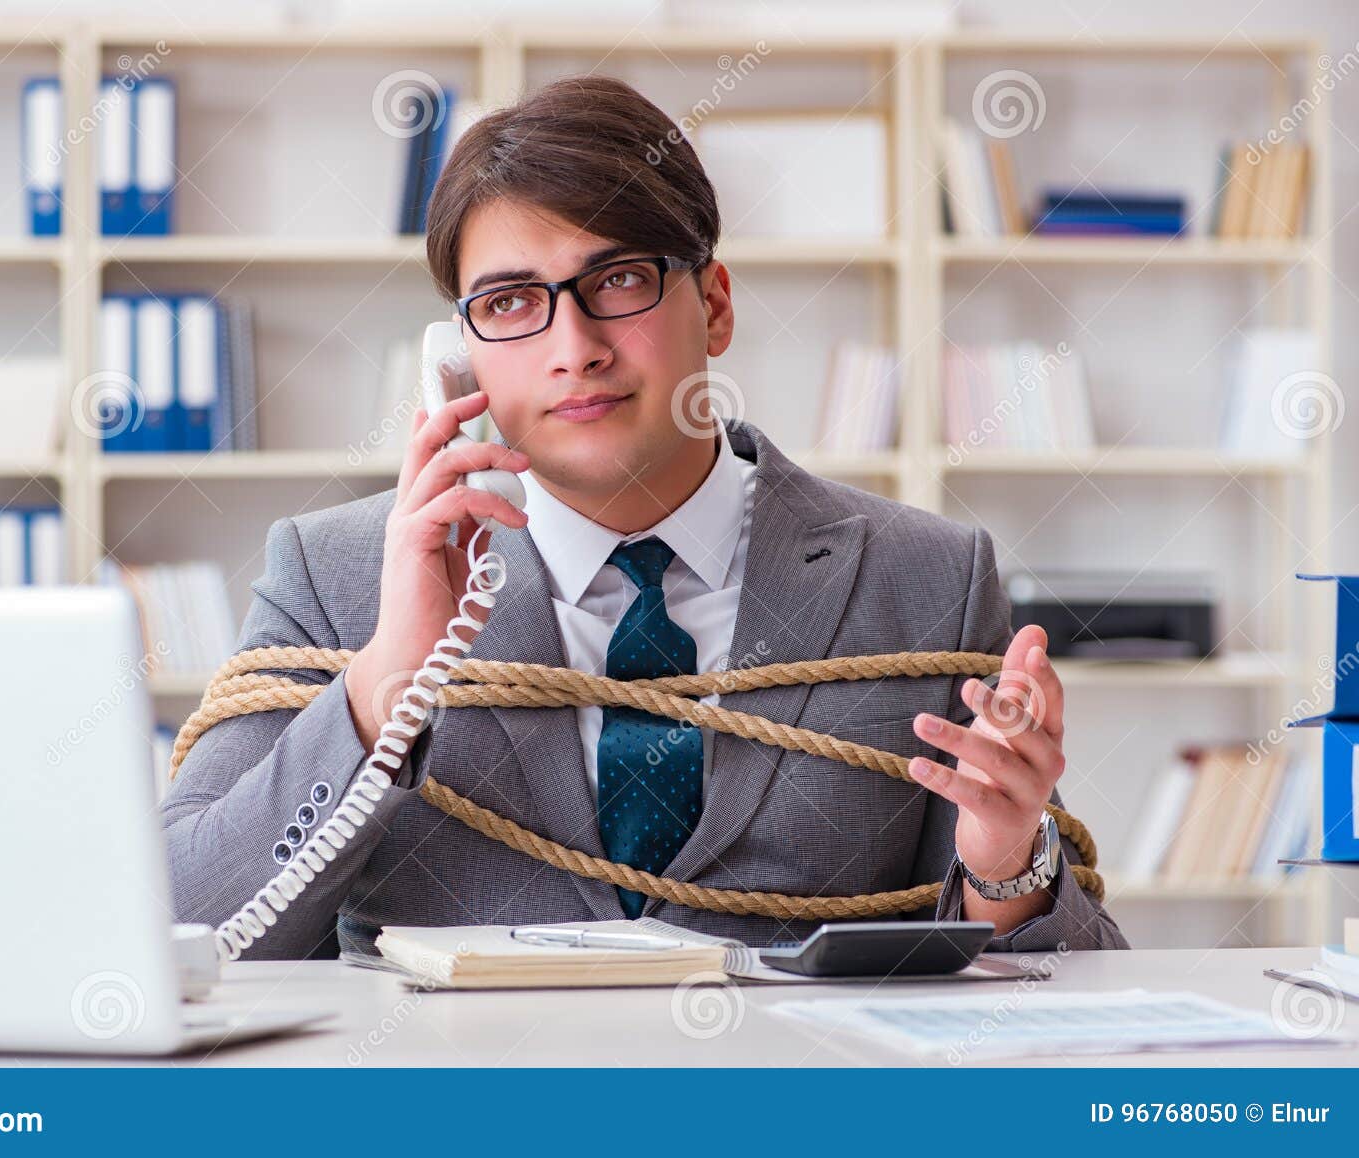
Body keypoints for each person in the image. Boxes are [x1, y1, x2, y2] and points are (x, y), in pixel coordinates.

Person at [164, 75, 1129, 959]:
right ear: (457, 353)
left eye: (618, 280)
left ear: (713, 305)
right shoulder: (335, 577)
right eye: (509, 303)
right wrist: (383, 686)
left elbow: (1061, 993)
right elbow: (183, 927)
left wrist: (1007, 864)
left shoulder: (925, 578)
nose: (573, 348)